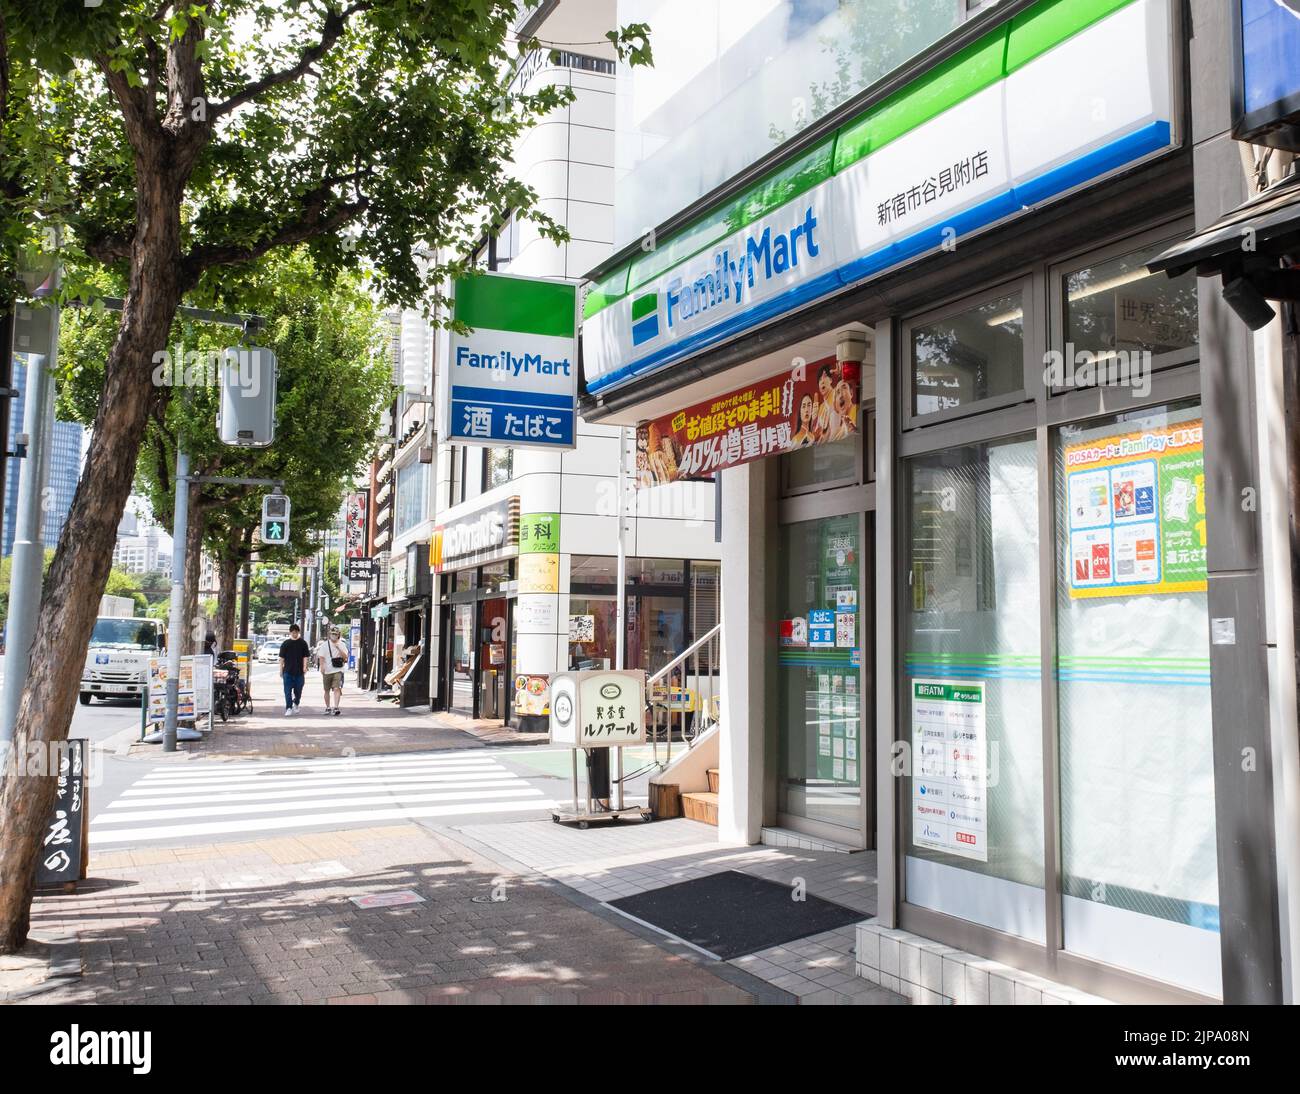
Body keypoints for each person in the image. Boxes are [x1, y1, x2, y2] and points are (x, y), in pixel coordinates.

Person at [278, 623, 310, 716]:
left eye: (296, 632)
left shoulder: (303, 643)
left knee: (298, 690)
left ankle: (296, 703)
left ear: (298, 632)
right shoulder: (285, 643)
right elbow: (282, 658)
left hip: (299, 672)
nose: (294, 634)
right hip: (287, 671)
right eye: (292, 632)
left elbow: (305, 657)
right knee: (287, 691)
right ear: (290, 632)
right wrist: (280, 670)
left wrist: (305, 667)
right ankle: (288, 707)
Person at [316, 625, 348, 716]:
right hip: (327, 670)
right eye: (332, 634)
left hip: (338, 670)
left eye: (336, 634)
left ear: (339, 635)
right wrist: (322, 667)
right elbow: (321, 657)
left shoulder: (342, 644)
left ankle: (336, 707)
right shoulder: (325, 645)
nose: (334, 635)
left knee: (337, 688)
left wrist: (338, 648)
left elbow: (345, 657)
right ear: (330, 635)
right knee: (326, 690)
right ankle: (328, 707)